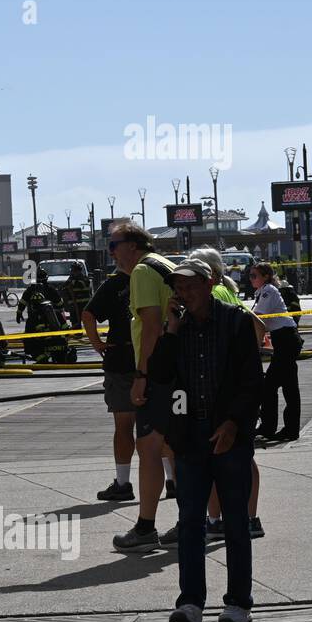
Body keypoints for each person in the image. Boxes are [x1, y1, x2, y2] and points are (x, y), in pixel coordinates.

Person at [149, 258, 263, 622]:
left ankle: (238, 602)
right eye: (177, 289)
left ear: (210, 282)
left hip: (228, 435)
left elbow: (251, 382)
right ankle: (191, 602)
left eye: (189, 286)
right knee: (190, 520)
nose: (183, 294)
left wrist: (233, 423)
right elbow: (160, 374)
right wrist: (169, 329)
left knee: (234, 520)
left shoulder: (235, 322)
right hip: (190, 437)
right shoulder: (178, 330)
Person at [106, 222, 180, 552]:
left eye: (114, 245)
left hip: (160, 373)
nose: (111, 252)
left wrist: (141, 375)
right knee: (176, 449)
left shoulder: (142, 272)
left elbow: (151, 327)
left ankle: (146, 528)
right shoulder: (166, 265)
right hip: (179, 371)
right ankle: (200, 519)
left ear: (133, 245)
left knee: (149, 449)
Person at [191, 247, 266, 541]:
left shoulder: (214, 297)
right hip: (238, 388)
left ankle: (215, 521)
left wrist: (231, 362)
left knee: (212, 456)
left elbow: (254, 326)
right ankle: (250, 519)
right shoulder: (228, 292)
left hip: (217, 391)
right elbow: (258, 326)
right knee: (245, 458)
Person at [82, 264, 135, 501]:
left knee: (124, 425)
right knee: (159, 427)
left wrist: (97, 343)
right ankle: (171, 480)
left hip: (122, 359)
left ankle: (123, 483)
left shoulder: (115, 284)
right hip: (156, 358)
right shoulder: (161, 275)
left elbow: (87, 314)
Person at [251, 262, 302, 442]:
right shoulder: (262, 291)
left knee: (270, 386)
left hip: (286, 340)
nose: (251, 279)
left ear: (265, 276)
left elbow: (257, 318)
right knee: (289, 387)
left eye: (254, 276)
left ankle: (269, 427)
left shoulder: (268, 291)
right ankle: (288, 429)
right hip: (283, 340)